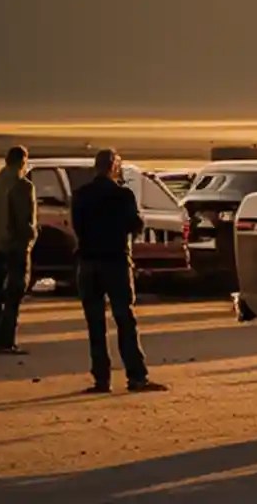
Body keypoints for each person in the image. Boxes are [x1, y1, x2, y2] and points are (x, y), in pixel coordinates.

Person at [71, 149, 167, 392]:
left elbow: (77, 227)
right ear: (113, 166)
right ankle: (136, 376)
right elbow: (134, 225)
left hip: (88, 262)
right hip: (115, 262)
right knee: (125, 319)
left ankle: (101, 379)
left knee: (95, 324)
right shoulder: (122, 195)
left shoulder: (81, 194)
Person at [0, 146, 36, 355]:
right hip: (13, 247)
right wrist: (30, 238)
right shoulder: (21, 185)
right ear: (23, 161)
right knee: (13, 294)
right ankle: (7, 340)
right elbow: (24, 220)